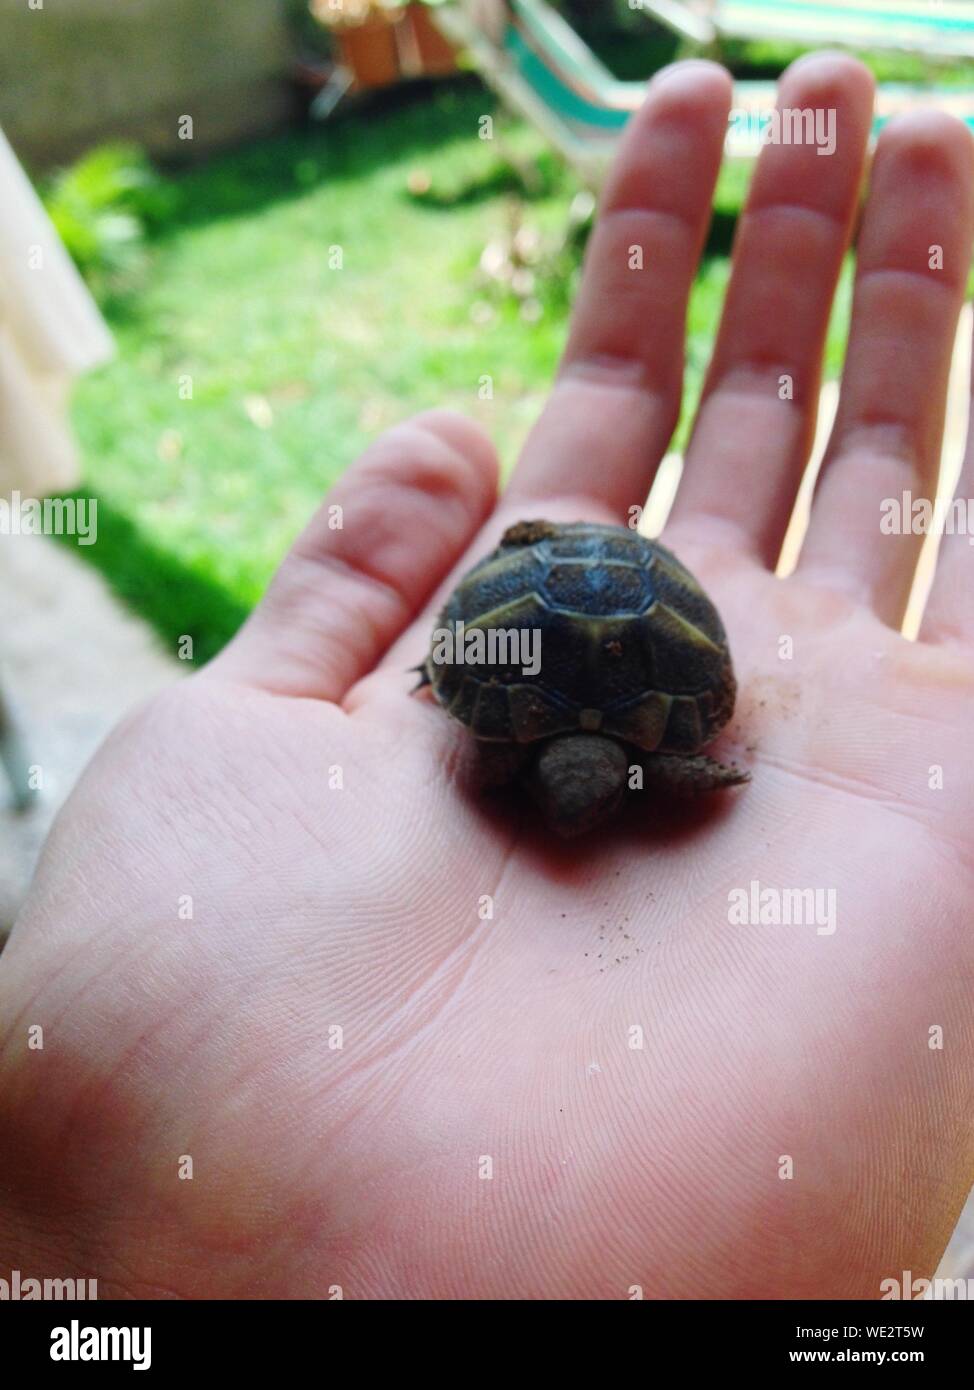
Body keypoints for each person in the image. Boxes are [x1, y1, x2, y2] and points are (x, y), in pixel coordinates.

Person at [1, 54, 972, 1299]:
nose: (573, 815)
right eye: (581, 790)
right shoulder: (561, 746)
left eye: (582, 789)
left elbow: (625, 741)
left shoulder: (557, 745)